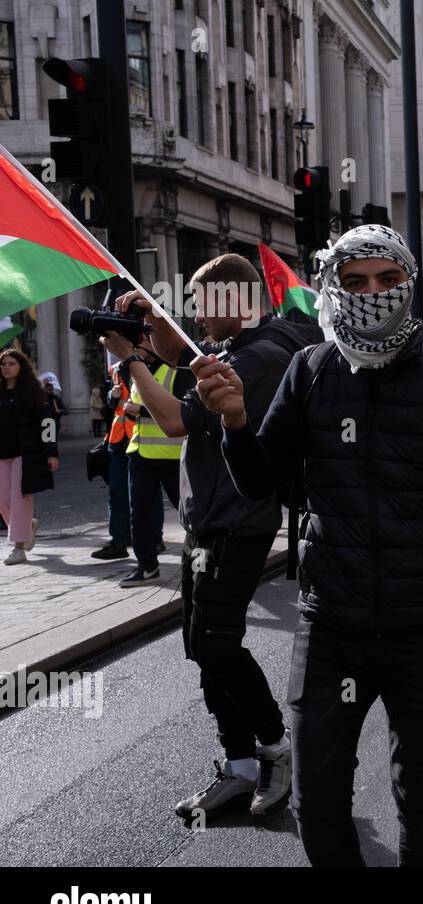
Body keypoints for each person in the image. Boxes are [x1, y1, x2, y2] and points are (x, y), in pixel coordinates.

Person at [192, 224, 423, 867]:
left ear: (408, 285)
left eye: (387, 280)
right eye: (354, 283)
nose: (371, 294)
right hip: (331, 625)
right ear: (333, 289)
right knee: (317, 802)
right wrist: (236, 425)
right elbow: (260, 479)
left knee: (420, 790)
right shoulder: (310, 370)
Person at [108, 253, 322, 822]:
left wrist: (131, 360)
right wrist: (150, 324)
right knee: (202, 647)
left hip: (239, 522)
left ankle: (275, 750)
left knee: (215, 645)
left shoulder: (264, 356)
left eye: (203, 306)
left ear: (236, 303)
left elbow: (175, 420)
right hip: (207, 519)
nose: (196, 317)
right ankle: (239, 766)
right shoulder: (239, 346)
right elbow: (186, 353)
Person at [109, 329, 192, 587]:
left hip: (171, 454)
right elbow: (126, 405)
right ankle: (147, 566)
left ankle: (202, 559)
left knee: (189, 513)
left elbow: (182, 409)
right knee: (139, 515)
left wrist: (141, 410)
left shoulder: (178, 369)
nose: (140, 342)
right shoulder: (134, 368)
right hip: (140, 453)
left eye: (144, 338)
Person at [90, 353, 163, 561]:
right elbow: (111, 408)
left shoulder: (148, 365)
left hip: (141, 437)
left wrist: (139, 410)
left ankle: (156, 538)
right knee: (116, 493)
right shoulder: (116, 369)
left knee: (149, 493)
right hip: (118, 439)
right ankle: (118, 542)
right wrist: (111, 398)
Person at [0, 349, 58, 565]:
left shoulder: (33, 392)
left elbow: (48, 424)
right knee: (2, 500)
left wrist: (51, 452)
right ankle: (28, 525)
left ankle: (18, 548)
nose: (6, 367)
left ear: (21, 367)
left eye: (11, 363)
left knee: (18, 499)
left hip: (25, 454)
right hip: (2, 454)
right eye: (3, 364)